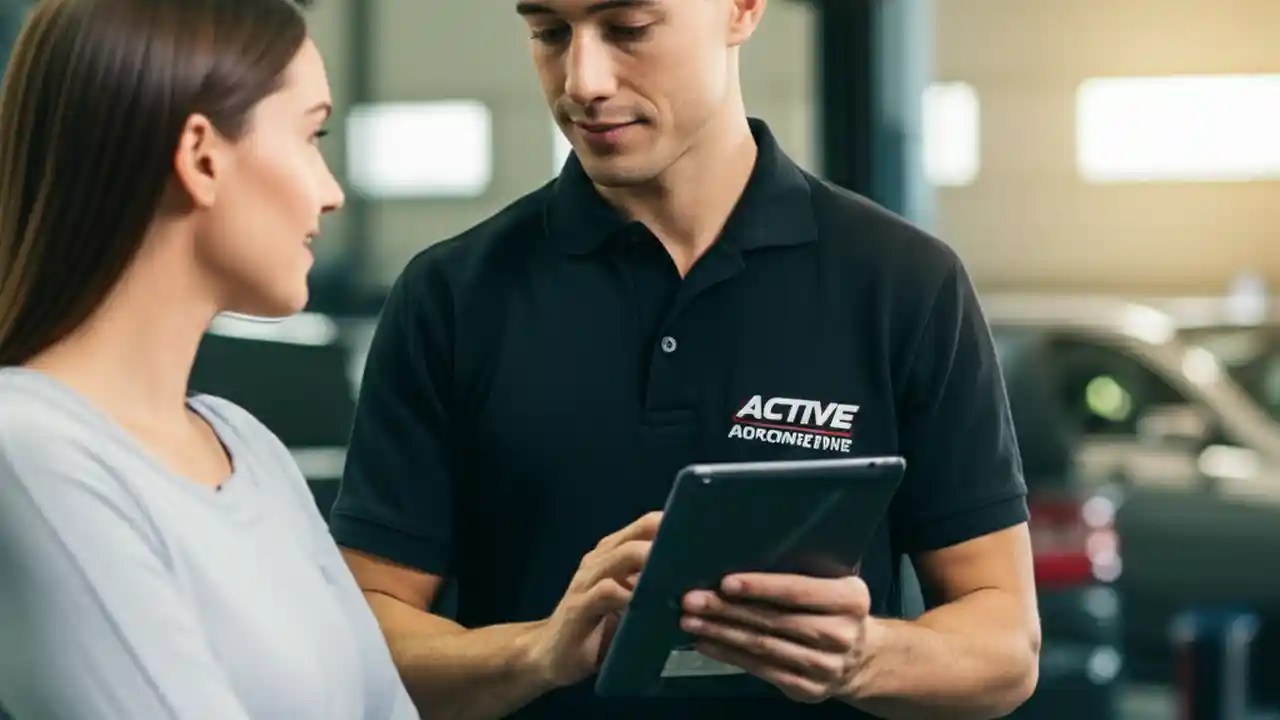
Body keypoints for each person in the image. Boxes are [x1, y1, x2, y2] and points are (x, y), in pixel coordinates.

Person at [332, 0, 1040, 718]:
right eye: (549, 32)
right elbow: (362, 645)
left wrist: (861, 656)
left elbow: (1006, 646)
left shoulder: (901, 283)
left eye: (628, 29)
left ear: (741, 10)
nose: (583, 80)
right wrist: (537, 653)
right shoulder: (451, 297)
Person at [0, 1, 418, 718]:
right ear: (201, 156)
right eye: (312, 135)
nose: (332, 191)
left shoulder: (245, 444)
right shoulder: (29, 450)